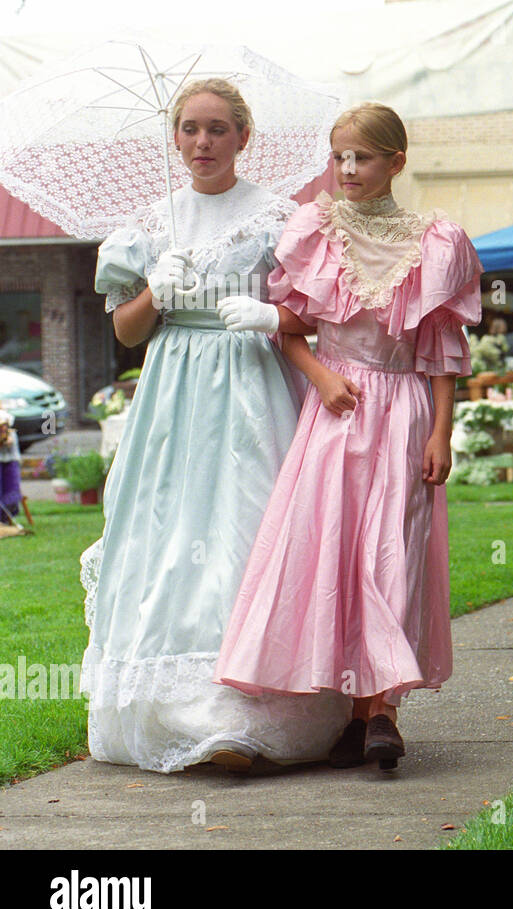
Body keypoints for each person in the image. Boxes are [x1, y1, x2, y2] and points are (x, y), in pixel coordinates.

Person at [80, 78, 351, 773]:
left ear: (242, 137)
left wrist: (267, 316)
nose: (203, 142)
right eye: (191, 129)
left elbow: (317, 311)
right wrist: (155, 291)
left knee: (249, 529)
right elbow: (127, 331)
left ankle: (249, 711)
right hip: (172, 395)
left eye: (218, 129)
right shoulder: (150, 224)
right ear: (174, 137)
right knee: (168, 535)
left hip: (253, 386)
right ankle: (174, 710)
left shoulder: (277, 218)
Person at [211, 103, 481, 772]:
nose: (348, 168)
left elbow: (442, 352)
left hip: (405, 410)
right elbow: (292, 326)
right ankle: (352, 715)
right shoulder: (314, 230)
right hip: (335, 409)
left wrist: (442, 433)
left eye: (362, 157)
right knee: (333, 549)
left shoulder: (438, 242)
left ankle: (384, 711)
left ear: (397, 162)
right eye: (339, 157)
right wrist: (320, 376)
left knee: (394, 551)